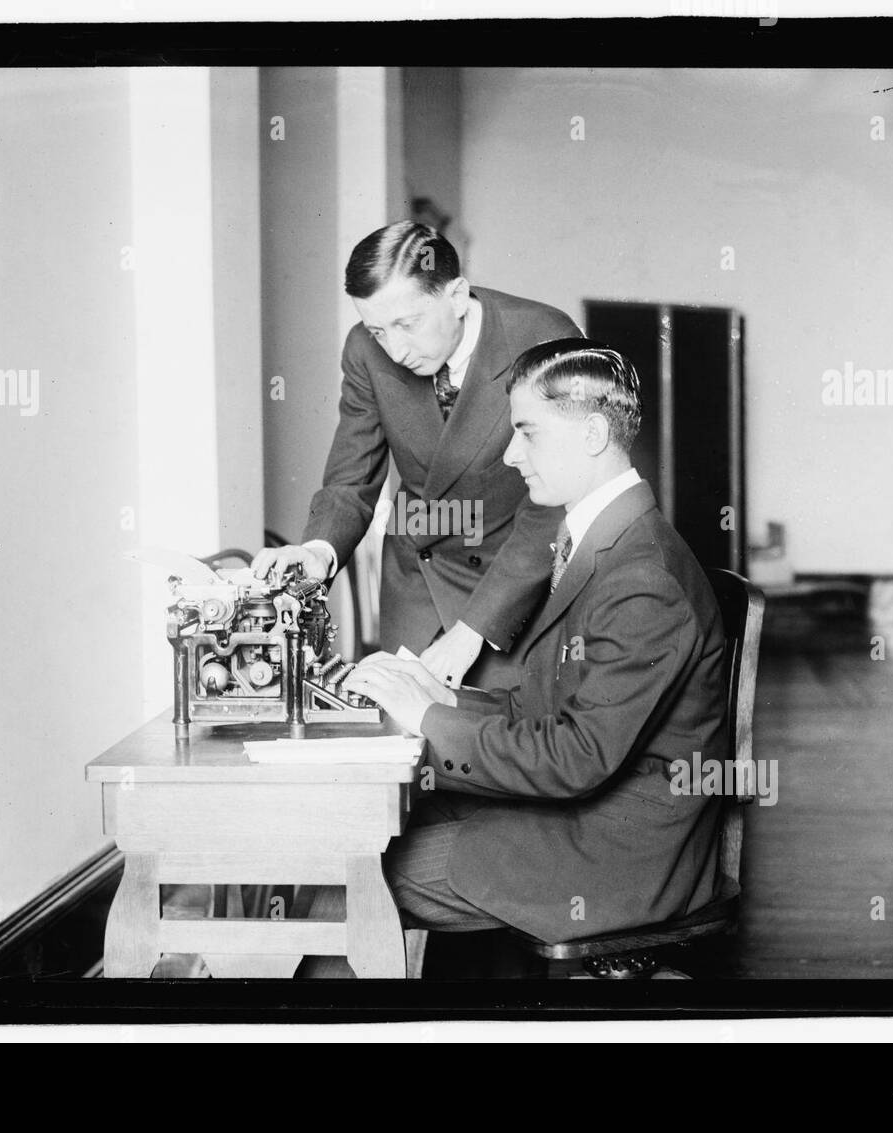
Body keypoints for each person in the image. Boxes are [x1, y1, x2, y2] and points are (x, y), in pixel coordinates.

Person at [346, 340, 730, 944]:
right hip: (588, 818)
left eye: (527, 432)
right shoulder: (605, 538)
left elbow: (576, 757)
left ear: (593, 434)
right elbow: (548, 709)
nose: (509, 454)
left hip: (623, 854)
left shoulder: (644, 578)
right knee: (364, 833)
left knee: (358, 873)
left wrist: (424, 716)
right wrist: (438, 700)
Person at [252, 221, 581, 689]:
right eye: (378, 330)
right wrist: (317, 551)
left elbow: (553, 506)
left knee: (500, 743)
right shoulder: (366, 351)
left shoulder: (543, 335)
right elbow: (352, 477)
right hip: (417, 579)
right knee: (407, 740)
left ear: (457, 295)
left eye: (408, 325)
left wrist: (473, 631)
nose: (396, 349)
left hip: (512, 586)